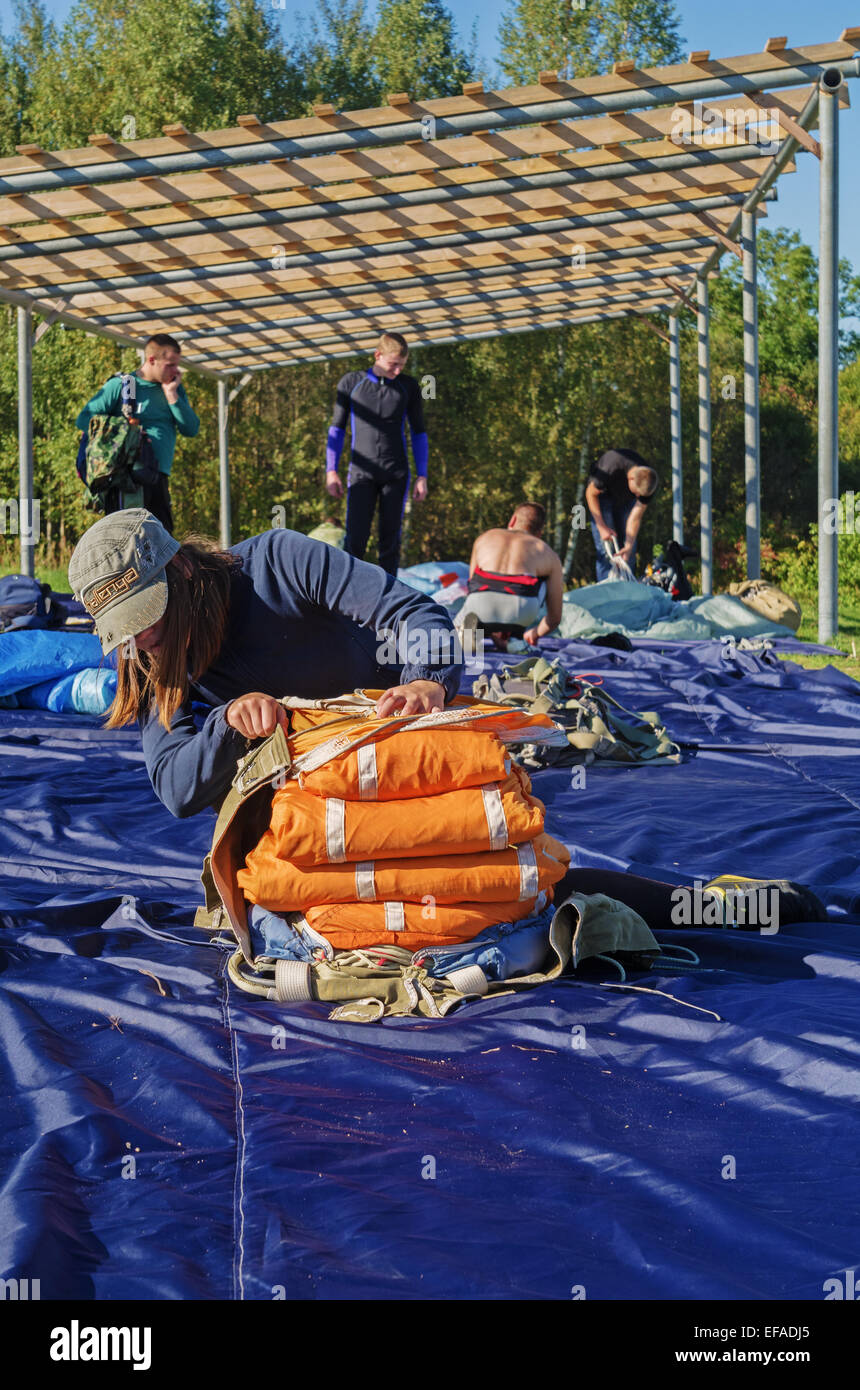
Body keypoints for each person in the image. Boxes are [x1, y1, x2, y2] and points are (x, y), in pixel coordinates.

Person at [68, 509, 463, 819]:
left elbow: (413, 611)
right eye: (124, 629)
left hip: (399, 740)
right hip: (316, 794)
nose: (139, 638)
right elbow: (175, 788)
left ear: (182, 569)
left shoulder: (278, 562)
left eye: (145, 614)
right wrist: (228, 724)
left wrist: (427, 681)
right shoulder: (144, 653)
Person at [325, 331, 428, 575]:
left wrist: (422, 475)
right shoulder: (352, 382)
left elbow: (419, 433)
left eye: (401, 366)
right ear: (377, 355)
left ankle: (389, 601)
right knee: (356, 539)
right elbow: (336, 430)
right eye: (393, 365)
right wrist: (331, 470)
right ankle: (347, 600)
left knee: (389, 542)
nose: (397, 371)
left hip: (396, 473)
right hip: (362, 472)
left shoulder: (408, 386)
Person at [76, 333, 199, 534]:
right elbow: (84, 420)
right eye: (170, 365)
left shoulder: (175, 388)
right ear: (152, 360)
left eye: (177, 365)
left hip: (158, 477)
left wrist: (172, 394)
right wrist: (125, 430)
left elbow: (191, 429)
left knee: (164, 539)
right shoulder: (122, 386)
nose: (175, 371)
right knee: (127, 540)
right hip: (126, 480)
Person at [457, 502, 564, 652]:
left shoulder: (485, 537)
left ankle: (470, 633)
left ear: (512, 520)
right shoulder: (547, 552)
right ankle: (517, 638)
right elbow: (555, 618)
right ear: (539, 533)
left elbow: (472, 585)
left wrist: (493, 631)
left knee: (480, 591)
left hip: (479, 605)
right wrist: (535, 633)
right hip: (521, 610)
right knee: (541, 582)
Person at [585, 447, 658, 581]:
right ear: (630, 478)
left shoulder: (649, 482)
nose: (638, 496)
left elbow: (635, 517)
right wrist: (601, 527)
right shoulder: (611, 466)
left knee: (627, 551)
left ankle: (627, 590)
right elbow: (590, 494)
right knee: (606, 551)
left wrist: (629, 545)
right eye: (637, 493)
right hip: (601, 497)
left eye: (640, 495)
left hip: (625, 501)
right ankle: (607, 593)